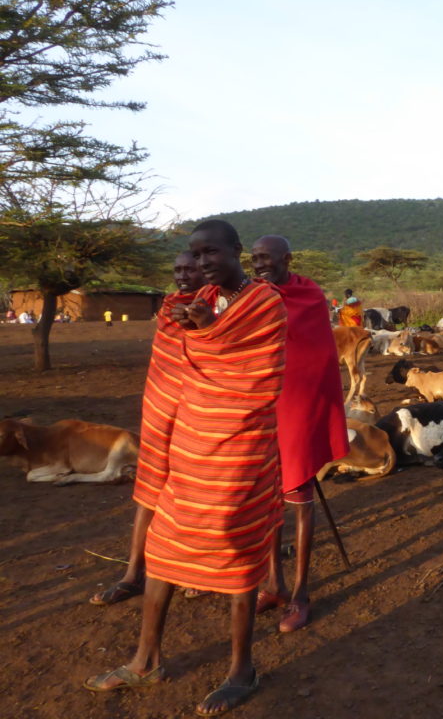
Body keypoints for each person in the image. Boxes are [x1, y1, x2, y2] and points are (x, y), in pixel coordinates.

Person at [85, 220, 288, 716]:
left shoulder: (263, 303)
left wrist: (206, 332)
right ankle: (145, 659)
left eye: (210, 253)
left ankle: (242, 669)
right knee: (164, 541)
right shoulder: (206, 300)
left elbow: (254, 369)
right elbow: (186, 356)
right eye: (194, 256)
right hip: (192, 441)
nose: (200, 264)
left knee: (234, 543)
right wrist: (195, 325)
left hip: (239, 442)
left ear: (236, 250)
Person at [89, 251, 206, 607]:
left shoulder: (220, 310)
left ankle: (196, 570)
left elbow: (222, 358)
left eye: (190, 269)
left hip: (200, 415)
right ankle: (132, 573)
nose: (182, 275)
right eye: (177, 269)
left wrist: (206, 324)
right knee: (149, 490)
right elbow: (166, 363)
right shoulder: (169, 307)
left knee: (198, 494)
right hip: (160, 411)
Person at [250, 235, 350, 632]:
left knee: (300, 501)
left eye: (267, 258)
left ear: (287, 259)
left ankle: (301, 594)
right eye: (254, 259)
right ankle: (274, 583)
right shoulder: (252, 295)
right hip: (265, 408)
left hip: (301, 409)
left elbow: (317, 355)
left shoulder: (309, 294)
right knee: (270, 503)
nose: (260, 265)